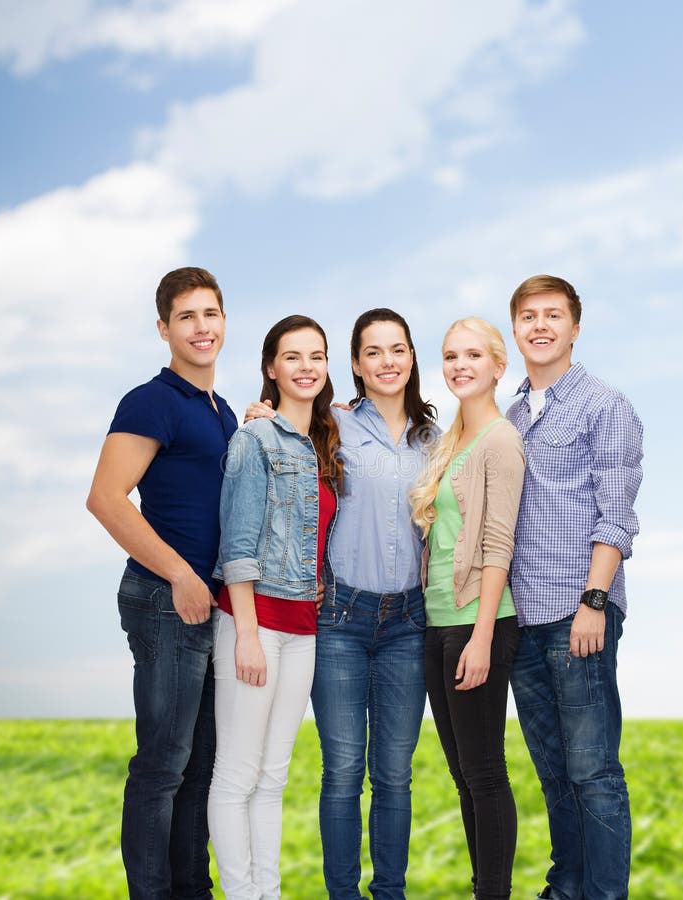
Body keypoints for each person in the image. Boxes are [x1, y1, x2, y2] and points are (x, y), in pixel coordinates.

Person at [247, 308, 437, 900]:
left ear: (411, 357)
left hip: (409, 621)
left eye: (398, 349)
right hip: (340, 622)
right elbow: (277, 447)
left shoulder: (435, 438)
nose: (387, 362)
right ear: (355, 365)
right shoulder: (329, 423)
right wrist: (260, 415)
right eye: (373, 352)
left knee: (395, 776)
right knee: (344, 772)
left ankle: (390, 892)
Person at [86, 266, 237, 899]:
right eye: (187, 317)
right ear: (163, 328)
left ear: (224, 320)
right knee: (162, 768)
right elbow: (106, 499)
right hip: (164, 599)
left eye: (211, 314)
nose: (201, 328)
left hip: (209, 602)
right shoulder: (150, 400)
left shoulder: (220, 409)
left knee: (201, 766)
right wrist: (178, 573)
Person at [505, 275, 643, 900]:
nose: (540, 325)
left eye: (552, 315)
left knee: (593, 770)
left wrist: (594, 602)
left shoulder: (604, 405)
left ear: (574, 327)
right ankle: (566, 888)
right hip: (522, 618)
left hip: (577, 611)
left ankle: (604, 893)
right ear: (515, 329)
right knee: (554, 771)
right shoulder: (508, 417)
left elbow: (616, 513)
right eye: (529, 316)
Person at [208, 315, 342, 900]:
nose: (306, 366)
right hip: (253, 622)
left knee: (273, 776)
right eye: (293, 356)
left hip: (304, 628)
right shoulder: (253, 440)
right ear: (271, 368)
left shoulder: (325, 443)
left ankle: (269, 892)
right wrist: (245, 634)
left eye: (316, 355)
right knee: (236, 774)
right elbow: (237, 543)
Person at [411, 318, 525, 900]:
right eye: (452, 355)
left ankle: (494, 894)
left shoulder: (500, 441)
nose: (460, 365)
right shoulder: (450, 441)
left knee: (484, 774)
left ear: (498, 367)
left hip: (477, 624)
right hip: (437, 625)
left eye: (474, 355)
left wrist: (481, 638)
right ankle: (485, 885)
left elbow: (498, 544)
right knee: (463, 776)